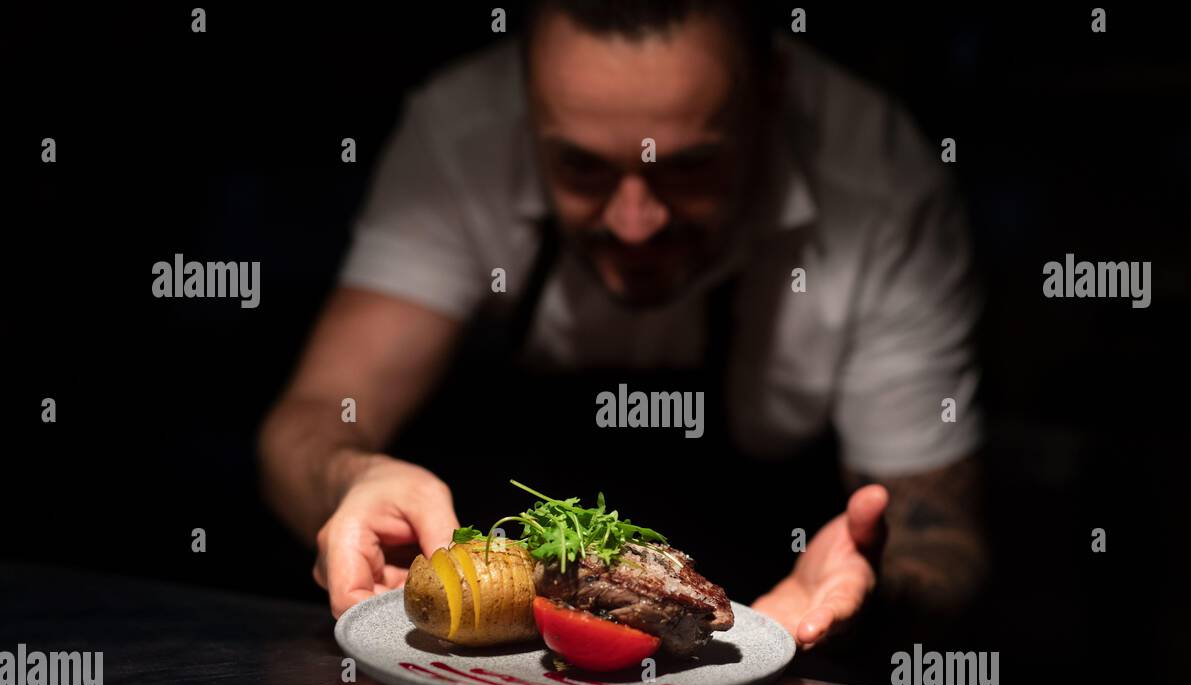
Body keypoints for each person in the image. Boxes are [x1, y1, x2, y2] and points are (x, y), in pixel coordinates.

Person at [258, 0, 987, 650]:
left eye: (690, 168)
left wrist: (873, 584)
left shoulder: (880, 182)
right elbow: (309, 421)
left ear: (771, 95)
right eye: (581, 168)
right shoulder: (458, 139)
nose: (634, 223)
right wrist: (351, 475)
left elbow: (943, 544)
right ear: (524, 104)